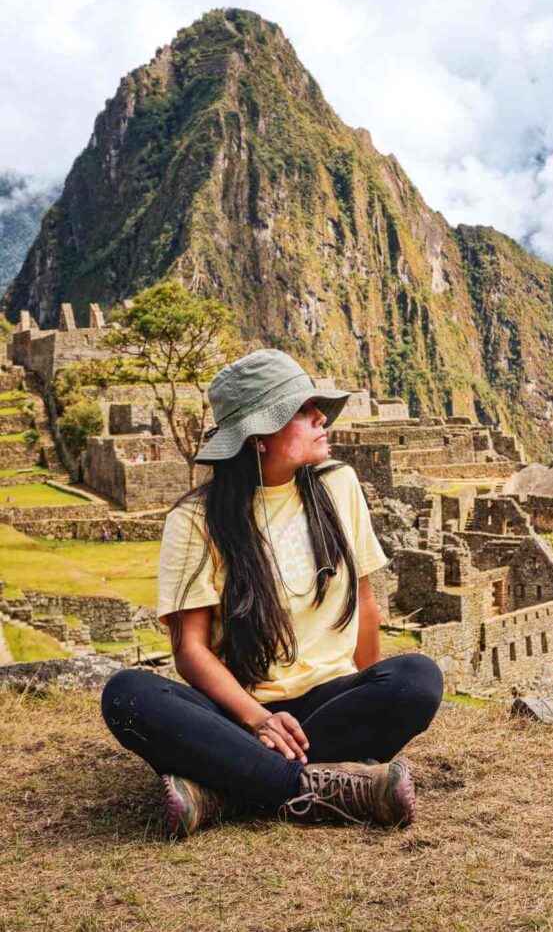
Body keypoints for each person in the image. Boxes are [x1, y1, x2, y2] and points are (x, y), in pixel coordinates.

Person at [101, 349, 443, 837]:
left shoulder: (338, 485)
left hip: (327, 704)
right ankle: (321, 786)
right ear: (259, 437)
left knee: (418, 679)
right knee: (127, 695)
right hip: (236, 712)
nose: (320, 418)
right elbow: (191, 651)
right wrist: (258, 719)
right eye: (303, 411)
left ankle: (222, 787)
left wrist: (372, 699)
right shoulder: (196, 520)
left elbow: (365, 604)